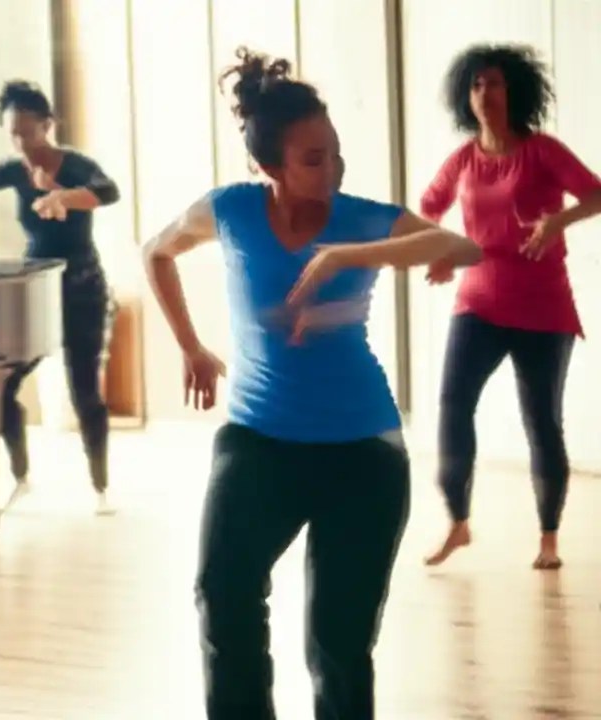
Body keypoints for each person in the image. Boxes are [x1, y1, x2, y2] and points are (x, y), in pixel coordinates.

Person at [142, 47, 480, 718]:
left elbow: (459, 247)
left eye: (335, 152)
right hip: (259, 440)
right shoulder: (231, 211)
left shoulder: (361, 216)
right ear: (268, 167)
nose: (331, 168)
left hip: (364, 453)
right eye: (312, 159)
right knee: (224, 595)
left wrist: (348, 255)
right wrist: (190, 346)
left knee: (337, 646)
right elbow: (157, 251)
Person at [419, 44, 601, 570]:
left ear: (512, 90)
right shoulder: (463, 159)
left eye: (494, 83)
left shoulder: (542, 151)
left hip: (543, 308)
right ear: (466, 97)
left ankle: (548, 539)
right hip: (478, 300)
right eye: (476, 85)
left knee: (542, 421)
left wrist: (556, 222)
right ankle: (458, 521)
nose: (485, 93)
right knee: (453, 405)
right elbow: (428, 211)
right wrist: (444, 253)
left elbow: (595, 194)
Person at [0, 80, 119, 508]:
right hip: (35, 289)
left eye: (28, 132)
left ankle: (100, 486)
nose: (21, 142)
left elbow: (109, 191)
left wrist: (63, 195)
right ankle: (20, 475)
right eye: (13, 134)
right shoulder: (14, 169)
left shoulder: (74, 165)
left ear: (47, 125)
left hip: (82, 289)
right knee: (2, 383)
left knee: (84, 390)